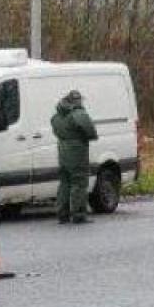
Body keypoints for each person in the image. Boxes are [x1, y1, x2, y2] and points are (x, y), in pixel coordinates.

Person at [52, 90, 98, 224]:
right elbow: (91, 132)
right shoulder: (79, 114)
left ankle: (62, 214)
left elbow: (57, 131)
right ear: (77, 100)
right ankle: (78, 214)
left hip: (62, 152)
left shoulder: (56, 116)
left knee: (65, 182)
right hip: (77, 152)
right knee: (79, 182)